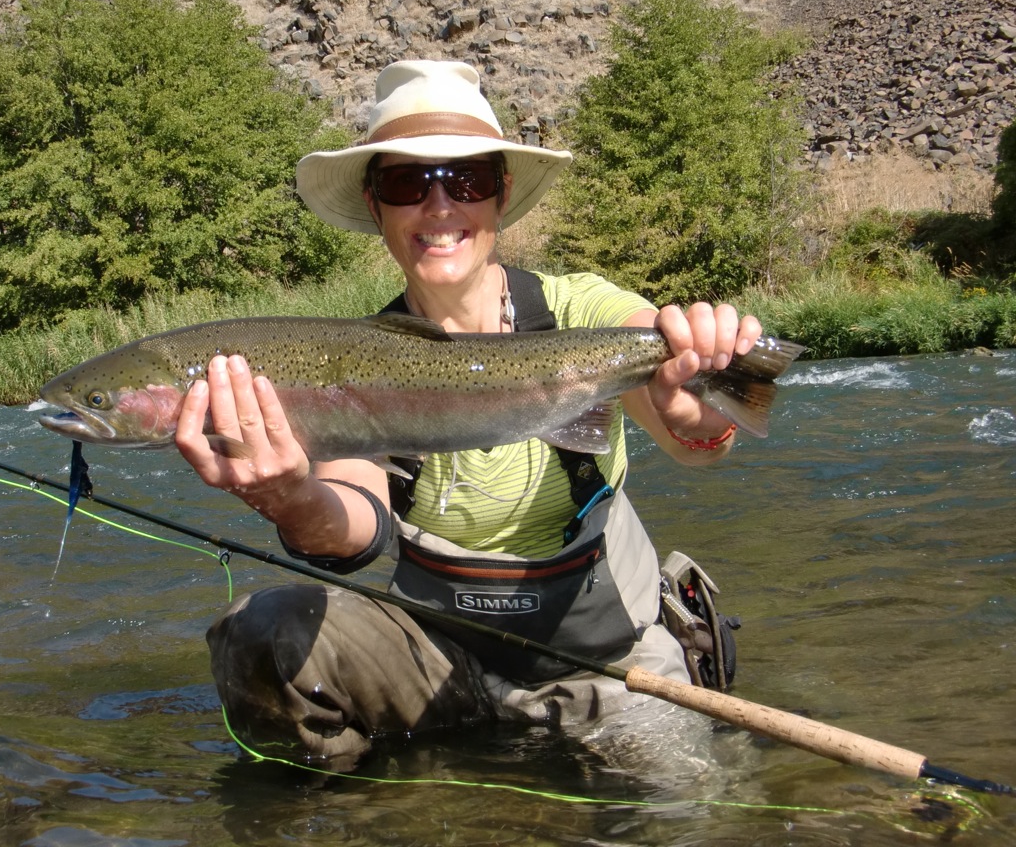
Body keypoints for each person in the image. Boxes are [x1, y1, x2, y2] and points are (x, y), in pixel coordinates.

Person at [174, 59, 763, 771]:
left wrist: (692, 402)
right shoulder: (352, 358)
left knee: (684, 813)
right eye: (406, 183)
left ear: (501, 194)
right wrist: (290, 498)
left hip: (611, 665)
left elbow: (691, 431)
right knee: (259, 634)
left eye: (468, 180)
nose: (440, 206)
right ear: (375, 205)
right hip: (443, 666)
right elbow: (353, 525)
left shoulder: (579, 311)